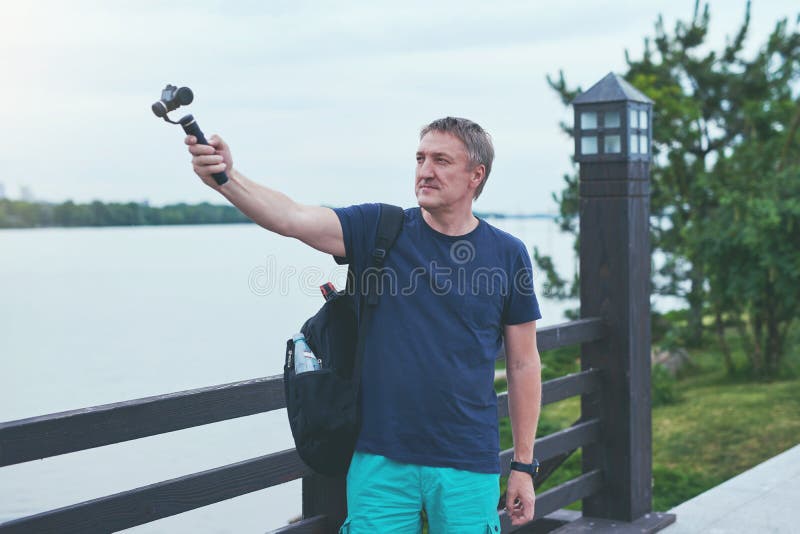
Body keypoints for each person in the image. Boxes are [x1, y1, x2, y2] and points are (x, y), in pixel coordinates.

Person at [186, 117, 543, 533]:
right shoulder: (381, 229)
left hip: (466, 462)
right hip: (380, 459)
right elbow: (293, 217)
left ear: (475, 175)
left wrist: (522, 464)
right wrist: (228, 180)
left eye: (441, 160)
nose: (425, 170)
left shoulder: (507, 254)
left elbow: (523, 366)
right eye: (420, 158)